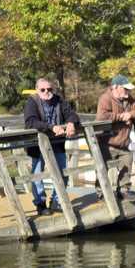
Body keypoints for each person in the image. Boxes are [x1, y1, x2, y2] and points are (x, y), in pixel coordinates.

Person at [22, 77, 80, 215]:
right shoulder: (32, 101)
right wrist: (51, 127)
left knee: (63, 172)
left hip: (57, 144)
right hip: (37, 145)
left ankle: (56, 201)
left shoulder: (59, 100)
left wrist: (71, 122)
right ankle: (40, 204)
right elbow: (31, 121)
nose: (46, 92)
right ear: (37, 90)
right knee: (37, 175)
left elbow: (72, 114)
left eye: (49, 89)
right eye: (43, 89)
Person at [95, 75, 135, 195]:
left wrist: (130, 115)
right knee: (102, 170)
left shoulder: (128, 99)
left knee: (127, 165)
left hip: (123, 143)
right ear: (115, 87)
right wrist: (121, 117)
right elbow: (102, 116)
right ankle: (100, 193)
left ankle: (123, 191)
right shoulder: (105, 98)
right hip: (107, 143)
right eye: (125, 88)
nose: (128, 91)